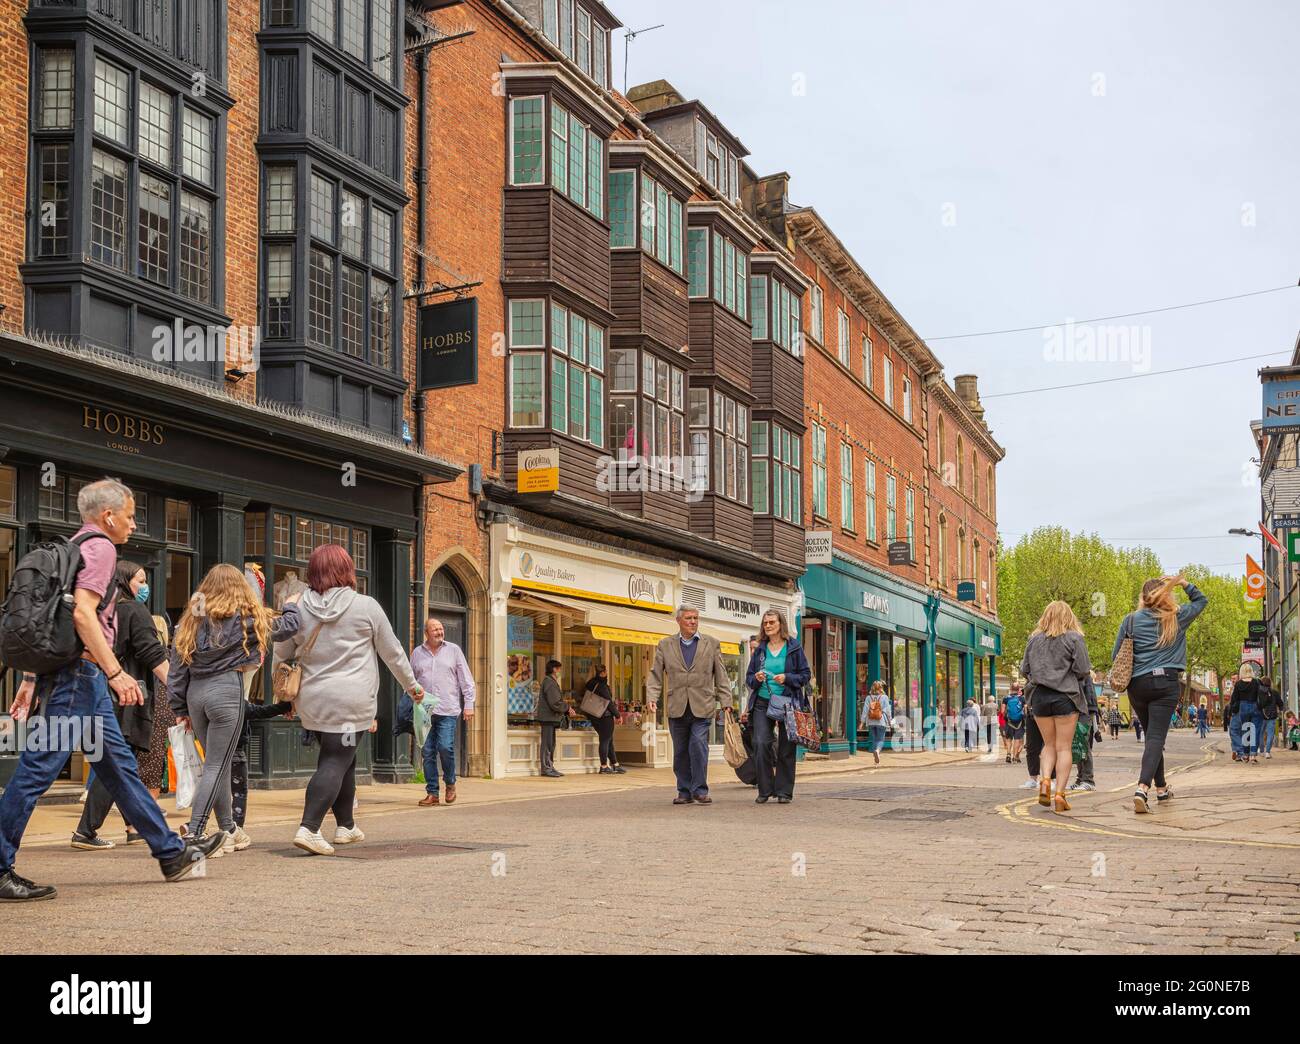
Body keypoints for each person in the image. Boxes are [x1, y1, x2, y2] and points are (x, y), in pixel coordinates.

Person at [0, 479, 222, 900]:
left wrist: (30, 678)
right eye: (132, 515)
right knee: (37, 770)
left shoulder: (73, 546)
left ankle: (171, 853)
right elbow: (83, 616)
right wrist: (117, 672)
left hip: (77, 680)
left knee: (118, 767)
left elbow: (51, 619)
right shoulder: (101, 548)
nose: (135, 524)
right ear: (108, 516)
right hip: (77, 680)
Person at [273, 544, 424, 855]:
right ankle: (309, 827)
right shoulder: (366, 606)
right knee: (335, 759)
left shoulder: (298, 608)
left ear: (312, 573)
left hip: (314, 700)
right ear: (347, 571)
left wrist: (285, 698)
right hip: (352, 699)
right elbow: (392, 653)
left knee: (344, 758)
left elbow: (281, 654)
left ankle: (347, 825)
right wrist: (413, 687)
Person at [169, 563, 301, 853]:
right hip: (226, 691)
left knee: (219, 764)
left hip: (195, 694)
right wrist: (291, 606)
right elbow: (288, 627)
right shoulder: (246, 617)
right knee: (216, 765)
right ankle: (194, 833)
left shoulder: (193, 618)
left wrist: (178, 706)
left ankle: (229, 829)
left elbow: (177, 667)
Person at [72, 560, 171, 850]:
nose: (145, 587)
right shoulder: (134, 610)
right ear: (125, 581)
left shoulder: (102, 612)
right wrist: (180, 693)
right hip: (127, 701)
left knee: (118, 765)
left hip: (96, 695)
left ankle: (132, 826)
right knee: (117, 767)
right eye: (140, 581)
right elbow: (153, 655)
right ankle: (86, 831)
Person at [1112, 575, 1207, 813]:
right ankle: (1142, 788)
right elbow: (1201, 601)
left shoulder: (1130, 621)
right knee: (1155, 738)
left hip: (1138, 685)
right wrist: (1184, 584)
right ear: (1168, 595)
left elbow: (1117, 655)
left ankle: (1161, 789)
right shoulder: (1176, 617)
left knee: (1153, 737)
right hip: (1166, 683)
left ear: (1142, 598)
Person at [646, 605, 733, 806]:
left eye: (695, 618)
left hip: (702, 705)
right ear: (678, 621)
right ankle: (684, 791)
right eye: (688, 618)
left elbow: (721, 675)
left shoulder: (711, 644)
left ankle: (700, 790)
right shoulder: (665, 645)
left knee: (698, 746)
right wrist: (652, 697)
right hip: (677, 706)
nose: (693, 622)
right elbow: (655, 675)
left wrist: (726, 701)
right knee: (680, 751)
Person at [1020, 601, 1092, 814]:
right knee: (1064, 747)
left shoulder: (1034, 640)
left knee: (1048, 745)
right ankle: (1060, 793)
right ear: (1068, 617)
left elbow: (1025, 669)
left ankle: (1044, 782)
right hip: (1065, 696)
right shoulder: (1074, 638)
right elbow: (1083, 669)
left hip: (1040, 697)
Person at [740, 609, 810, 804]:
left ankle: (784, 791)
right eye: (765, 623)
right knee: (761, 743)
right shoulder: (761, 649)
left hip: (788, 702)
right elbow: (748, 679)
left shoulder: (793, 647)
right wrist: (756, 678)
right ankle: (765, 789)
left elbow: (805, 675)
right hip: (763, 702)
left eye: (772, 622)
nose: (768, 626)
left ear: (781, 624)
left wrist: (787, 678)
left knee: (786, 747)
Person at [411, 617, 476, 805]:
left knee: (445, 747)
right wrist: (413, 695)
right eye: (435, 630)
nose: (440, 632)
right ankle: (432, 793)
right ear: (426, 633)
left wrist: (469, 705)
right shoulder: (417, 653)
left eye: (441, 629)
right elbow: (410, 680)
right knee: (428, 752)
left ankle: (450, 783)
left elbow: (466, 679)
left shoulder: (454, 650)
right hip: (425, 712)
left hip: (448, 709)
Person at [581, 664, 624, 775]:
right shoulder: (601, 685)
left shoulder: (590, 684)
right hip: (605, 716)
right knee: (605, 740)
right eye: (606, 672)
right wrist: (618, 715)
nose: (607, 674)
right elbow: (608, 702)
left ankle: (615, 764)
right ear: (602, 673)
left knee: (608, 739)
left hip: (594, 716)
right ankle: (604, 766)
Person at [536, 659, 570, 777]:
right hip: (548, 718)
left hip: (550, 718)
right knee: (547, 744)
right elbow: (555, 703)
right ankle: (546, 768)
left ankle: (550, 766)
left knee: (551, 743)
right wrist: (567, 708)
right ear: (554, 669)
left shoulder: (550, 681)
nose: (560, 671)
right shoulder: (550, 682)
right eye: (559, 668)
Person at [1227, 666, 1265, 765]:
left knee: (1245, 730)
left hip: (1243, 707)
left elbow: (1234, 699)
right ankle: (1253, 755)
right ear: (1252, 671)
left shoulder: (1238, 684)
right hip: (1255, 706)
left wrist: (1232, 711)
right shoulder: (1257, 682)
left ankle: (1245, 754)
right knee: (1255, 731)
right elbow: (1262, 695)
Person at [861, 680, 890, 765]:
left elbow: (865, 710)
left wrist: (862, 722)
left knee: (874, 740)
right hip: (881, 721)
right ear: (881, 688)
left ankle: (876, 760)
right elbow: (888, 711)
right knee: (880, 740)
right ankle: (877, 751)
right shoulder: (884, 697)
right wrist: (889, 721)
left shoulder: (868, 698)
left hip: (871, 722)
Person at [1258, 676, 1279, 759]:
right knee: (1270, 734)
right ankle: (1267, 752)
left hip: (1261, 716)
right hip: (1272, 716)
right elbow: (1280, 703)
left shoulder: (1259, 692)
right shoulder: (1274, 692)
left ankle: (1262, 750)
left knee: (1260, 733)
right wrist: (1280, 709)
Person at [1004, 686, 1027, 762]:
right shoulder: (1022, 698)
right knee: (1017, 740)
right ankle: (1014, 757)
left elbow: (1002, 711)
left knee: (1009, 739)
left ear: (1010, 689)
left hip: (1009, 722)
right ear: (1018, 690)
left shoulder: (1006, 698)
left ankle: (1008, 754)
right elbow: (1025, 710)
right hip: (1019, 722)